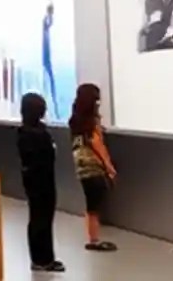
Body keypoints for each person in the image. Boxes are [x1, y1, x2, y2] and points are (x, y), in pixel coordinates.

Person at [18, 93, 63, 273]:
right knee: (41, 218)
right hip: (40, 181)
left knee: (41, 218)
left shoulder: (28, 132)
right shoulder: (34, 134)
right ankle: (42, 259)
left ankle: (44, 258)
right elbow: (43, 157)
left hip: (38, 180)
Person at [68, 83, 116, 252]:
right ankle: (94, 239)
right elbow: (97, 142)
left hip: (80, 165)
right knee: (95, 204)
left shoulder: (75, 121)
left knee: (90, 202)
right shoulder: (92, 122)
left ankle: (92, 237)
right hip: (93, 164)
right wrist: (108, 165)